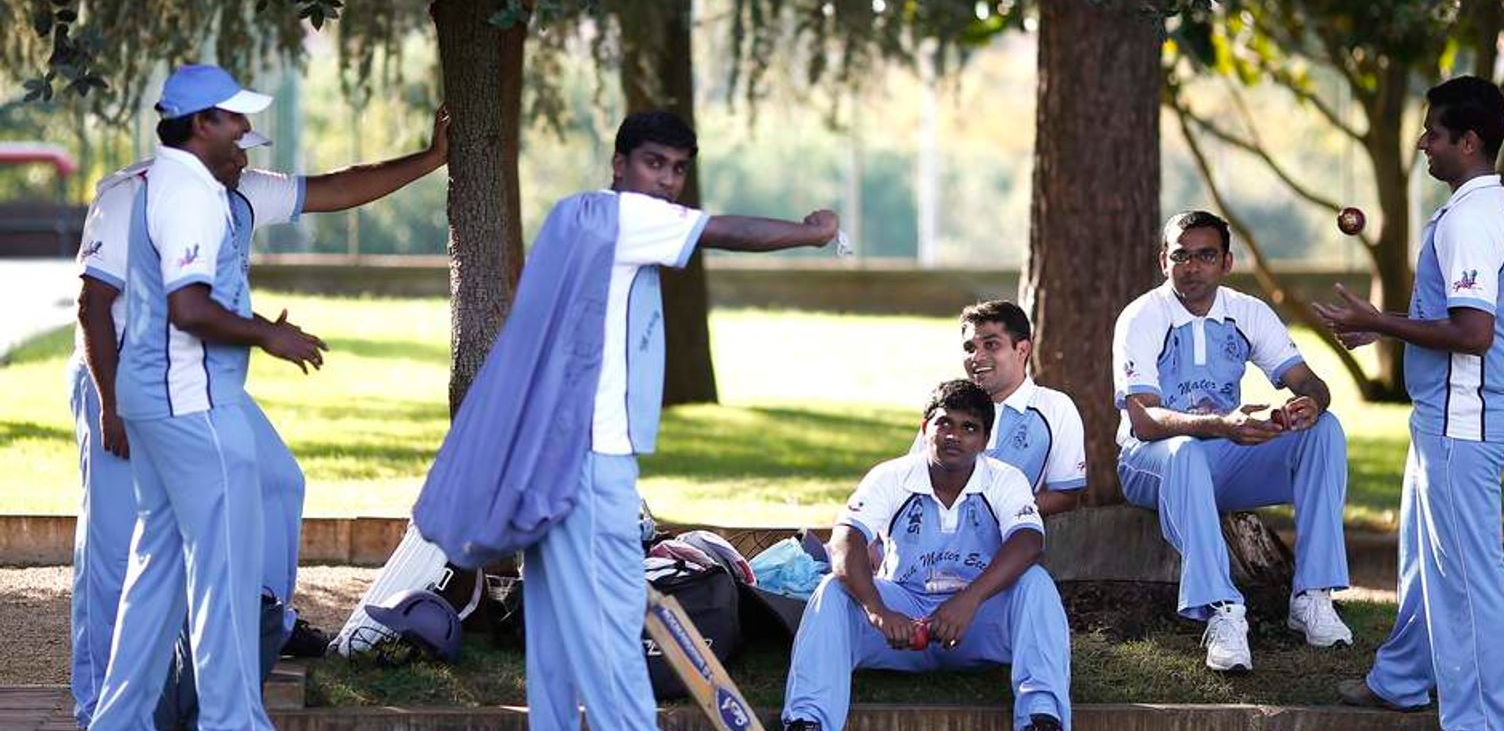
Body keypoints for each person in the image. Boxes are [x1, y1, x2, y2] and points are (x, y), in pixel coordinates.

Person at [413, 111, 839, 730]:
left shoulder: (573, 217)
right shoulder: (630, 218)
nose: (667, 180)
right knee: (615, 623)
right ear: (620, 164)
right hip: (589, 462)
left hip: (547, 458)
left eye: (678, 169)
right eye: (653, 163)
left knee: (555, 624)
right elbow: (728, 231)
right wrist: (811, 231)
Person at [80, 64, 446, 728]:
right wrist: (267, 336)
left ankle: (121, 718)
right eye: (235, 124)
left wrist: (429, 159)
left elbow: (336, 189)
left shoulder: (218, 189)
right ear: (200, 125)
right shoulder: (166, 193)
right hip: (168, 390)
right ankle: (224, 719)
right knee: (197, 570)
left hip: (170, 390)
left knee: (161, 566)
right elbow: (161, 308)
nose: (246, 139)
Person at [1314, 76, 1504, 728]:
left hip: (1466, 422)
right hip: (1444, 416)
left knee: (1465, 582)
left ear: (1469, 141)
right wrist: (1386, 321)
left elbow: (1472, 333)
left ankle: (1485, 721)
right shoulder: (1468, 209)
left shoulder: (1471, 219)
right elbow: (1451, 316)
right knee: (1422, 559)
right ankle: (1403, 677)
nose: (1422, 143)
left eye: (1433, 133)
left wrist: (1380, 323)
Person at [1112, 209, 1352, 673]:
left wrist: (1310, 405)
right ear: (1164, 261)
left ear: (1227, 262)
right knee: (1184, 452)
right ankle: (1223, 610)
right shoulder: (1141, 317)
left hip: (1223, 456)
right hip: (1150, 461)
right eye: (1180, 256)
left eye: (1205, 256)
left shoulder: (1247, 312)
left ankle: (1312, 598)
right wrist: (1221, 425)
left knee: (1326, 431)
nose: (1192, 266)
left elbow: (1309, 382)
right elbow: (1143, 421)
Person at [781, 379, 1070, 731]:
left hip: (975, 620)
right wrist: (878, 611)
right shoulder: (890, 476)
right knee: (833, 590)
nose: (954, 436)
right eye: (944, 423)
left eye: (969, 428)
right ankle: (808, 720)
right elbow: (846, 541)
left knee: (1035, 583)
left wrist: (969, 599)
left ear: (984, 440)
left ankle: (1041, 719)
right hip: (901, 620)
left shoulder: (1006, 480)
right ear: (925, 428)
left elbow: (1028, 542)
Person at [909, 300, 1086, 515]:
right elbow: (909, 482)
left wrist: (990, 512)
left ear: (1022, 350)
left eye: (991, 344)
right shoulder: (947, 406)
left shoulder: (1055, 409)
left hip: (1012, 540)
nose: (977, 357)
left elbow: (1065, 497)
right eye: (969, 348)